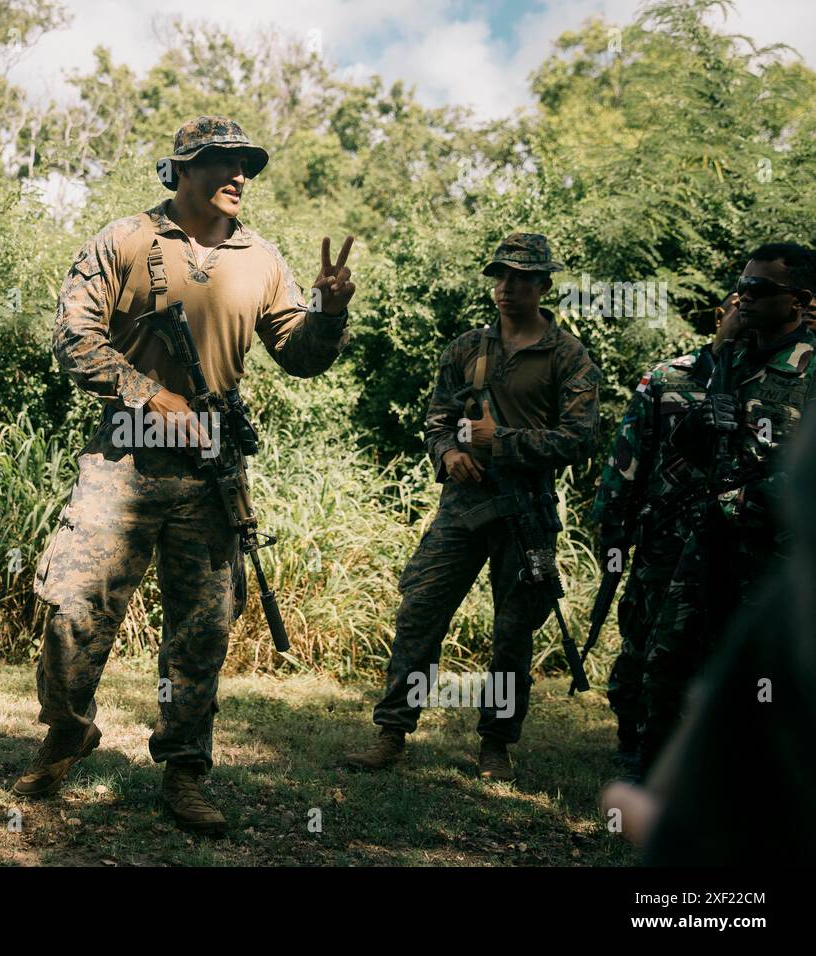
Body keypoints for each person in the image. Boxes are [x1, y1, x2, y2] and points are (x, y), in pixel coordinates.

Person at [16, 116, 355, 834]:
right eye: (223, 164)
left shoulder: (262, 259)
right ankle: (68, 729)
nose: (239, 176)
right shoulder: (126, 241)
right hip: (124, 459)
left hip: (211, 469)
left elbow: (299, 354)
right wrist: (146, 394)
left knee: (201, 632)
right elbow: (71, 339)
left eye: (246, 166)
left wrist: (328, 312)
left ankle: (184, 772)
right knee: (73, 604)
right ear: (182, 170)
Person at [345, 233, 600, 782]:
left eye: (521, 277)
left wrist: (499, 440)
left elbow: (580, 440)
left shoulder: (568, 356)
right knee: (420, 611)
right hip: (463, 507)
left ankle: (496, 745)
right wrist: (451, 454)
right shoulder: (466, 348)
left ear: (543, 286)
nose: (507, 287)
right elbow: (437, 419)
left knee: (512, 633)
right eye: (500, 276)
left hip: (525, 513)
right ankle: (391, 732)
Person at [638, 242, 816, 776]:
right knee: (669, 658)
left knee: (765, 678)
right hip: (707, 540)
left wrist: (747, 500)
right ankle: (655, 778)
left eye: (761, 289)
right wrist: (697, 422)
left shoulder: (809, 371)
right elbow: (682, 450)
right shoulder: (725, 360)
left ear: (798, 301)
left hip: (776, 558)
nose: (745, 297)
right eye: (743, 285)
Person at [589, 297, 739, 773]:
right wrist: (612, 522)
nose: (743, 311)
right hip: (665, 530)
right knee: (644, 633)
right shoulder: (672, 375)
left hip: (735, 537)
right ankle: (633, 736)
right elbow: (628, 451)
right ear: (720, 314)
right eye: (735, 304)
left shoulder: (775, 377)